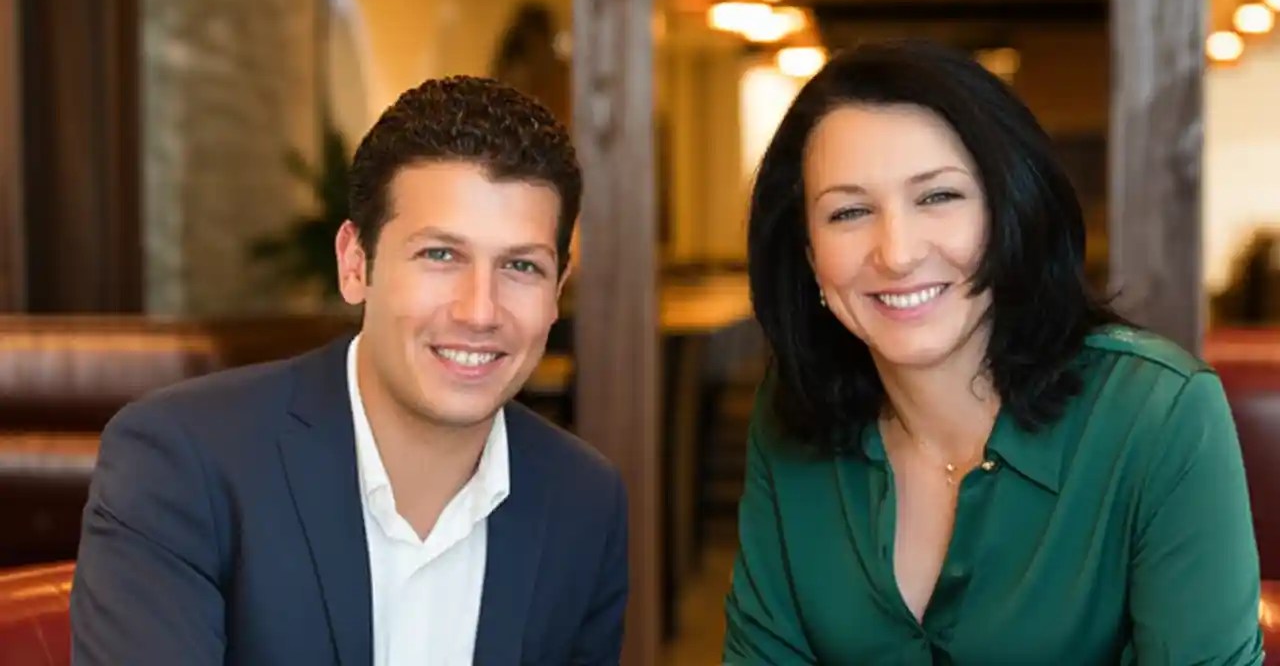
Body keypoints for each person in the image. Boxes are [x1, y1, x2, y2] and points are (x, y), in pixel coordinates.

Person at [723, 40, 1262, 664]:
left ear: (1011, 211)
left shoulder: (1160, 414)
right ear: (809, 254)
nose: (896, 252)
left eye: (938, 197)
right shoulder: (793, 415)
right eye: (849, 211)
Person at [71, 76, 628, 666]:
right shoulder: (182, 462)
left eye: (521, 266)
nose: (479, 311)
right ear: (355, 264)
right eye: (440, 255)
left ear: (558, 291)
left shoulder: (583, 502)